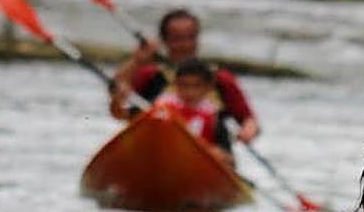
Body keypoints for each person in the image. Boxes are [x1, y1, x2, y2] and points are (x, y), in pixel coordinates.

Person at [109, 9, 260, 145]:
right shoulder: (150, 74)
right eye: (177, 39)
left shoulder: (219, 79)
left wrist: (248, 131)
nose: (185, 45)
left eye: (190, 37)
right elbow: (117, 98)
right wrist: (137, 61)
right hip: (154, 148)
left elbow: (249, 120)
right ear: (164, 40)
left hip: (206, 154)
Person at [148, 58, 235, 166]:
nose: (190, 92)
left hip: (195, 168)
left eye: (196, 86)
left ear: (208, 87)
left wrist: (221, 155)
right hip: (161, 162)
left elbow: (231, 161)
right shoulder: (161, 106)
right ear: (176, 84)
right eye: (184, 85)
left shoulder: (214, 117)